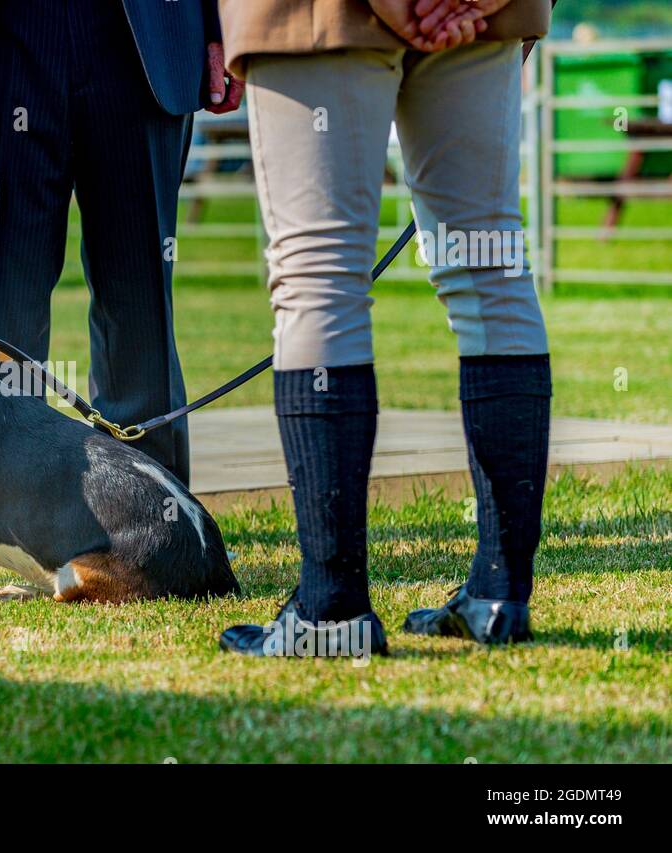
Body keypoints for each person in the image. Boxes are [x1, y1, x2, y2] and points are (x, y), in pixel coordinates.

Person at [216, 0, 554, 656]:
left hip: (322, 16)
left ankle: (330, 611)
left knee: (319, 278)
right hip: (478, 16)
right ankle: (498, 594)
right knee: (489, 265)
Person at [0, 0, 242, 487]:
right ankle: (8, 514)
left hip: (142, 39)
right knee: (5, 316)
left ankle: (153, 517)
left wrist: (222, 27)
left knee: (140, 305)